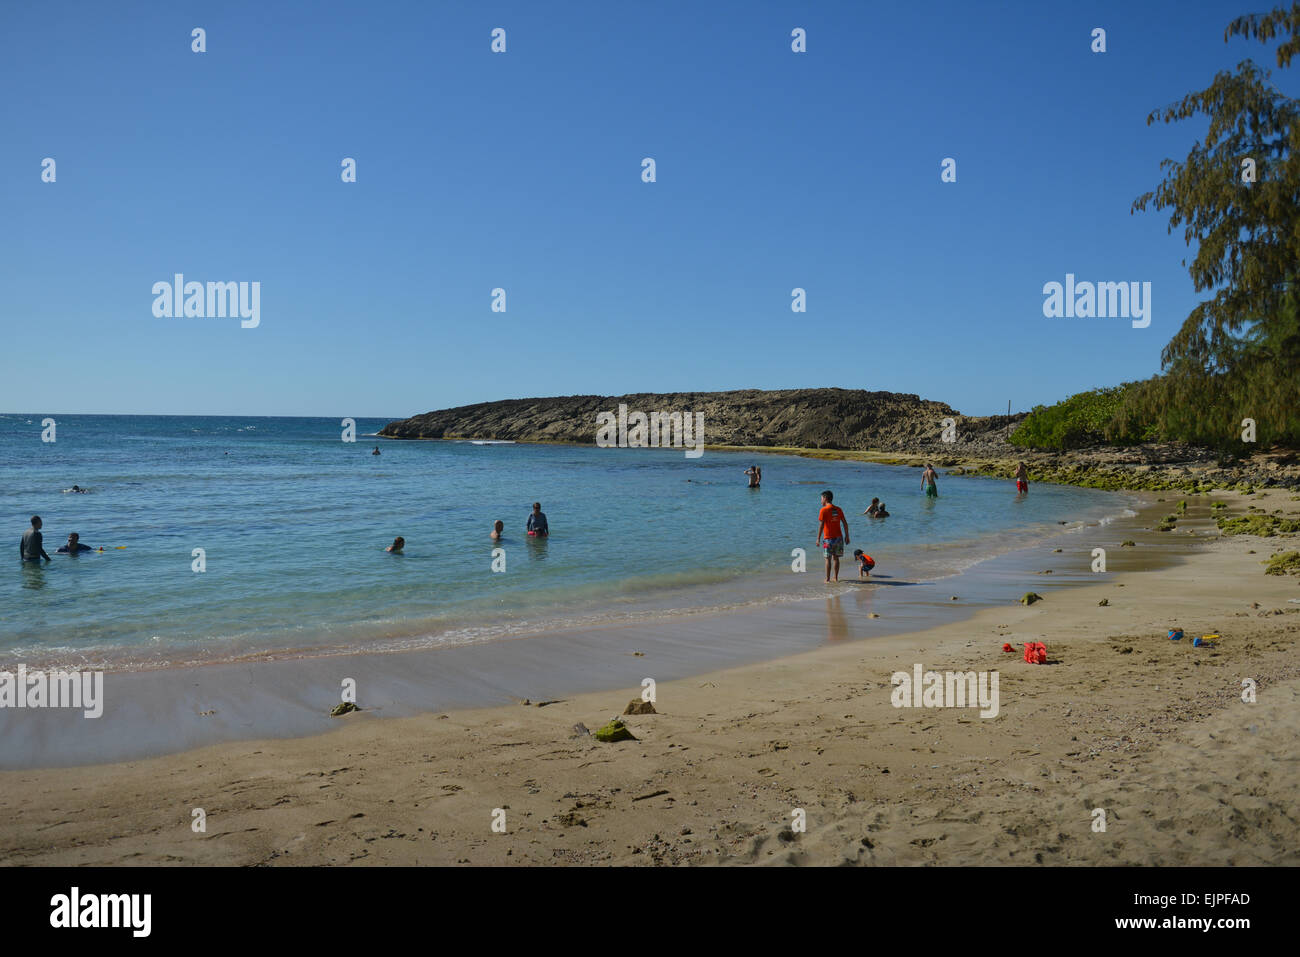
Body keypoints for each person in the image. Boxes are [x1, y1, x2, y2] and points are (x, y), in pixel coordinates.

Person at [815, 490, 850, 583]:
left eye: (821, 499)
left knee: (827, 559)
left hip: (828, 539)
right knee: (836, 558)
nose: (821, 501)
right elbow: (845, 523)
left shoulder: (823, 510)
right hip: (839, 538)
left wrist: (818, 538)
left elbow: (821, 526)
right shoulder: (838, 509)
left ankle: (827, 579)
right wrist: (847, 536)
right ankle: (836, 578)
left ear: (825, 498)